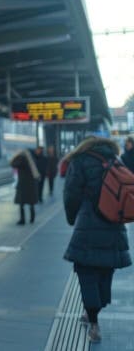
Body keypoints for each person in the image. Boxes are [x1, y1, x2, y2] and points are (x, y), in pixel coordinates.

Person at [63, 136, 132, 343]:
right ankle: (95, 309)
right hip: (114, 225)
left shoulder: (79, 161)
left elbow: (71, 193)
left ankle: (93, 322)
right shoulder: (115, 160)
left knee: (86, 271)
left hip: (88, 223)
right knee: (105, 270)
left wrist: (72, 217)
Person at [11, 148, 39, 224]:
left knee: (22, 203)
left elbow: (12, 164)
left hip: (23, 185)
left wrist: (16, 155)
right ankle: (32, 218)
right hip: (31, 185)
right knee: (31, 203)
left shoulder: (22, 159)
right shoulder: (32, 160)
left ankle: (22, 220)